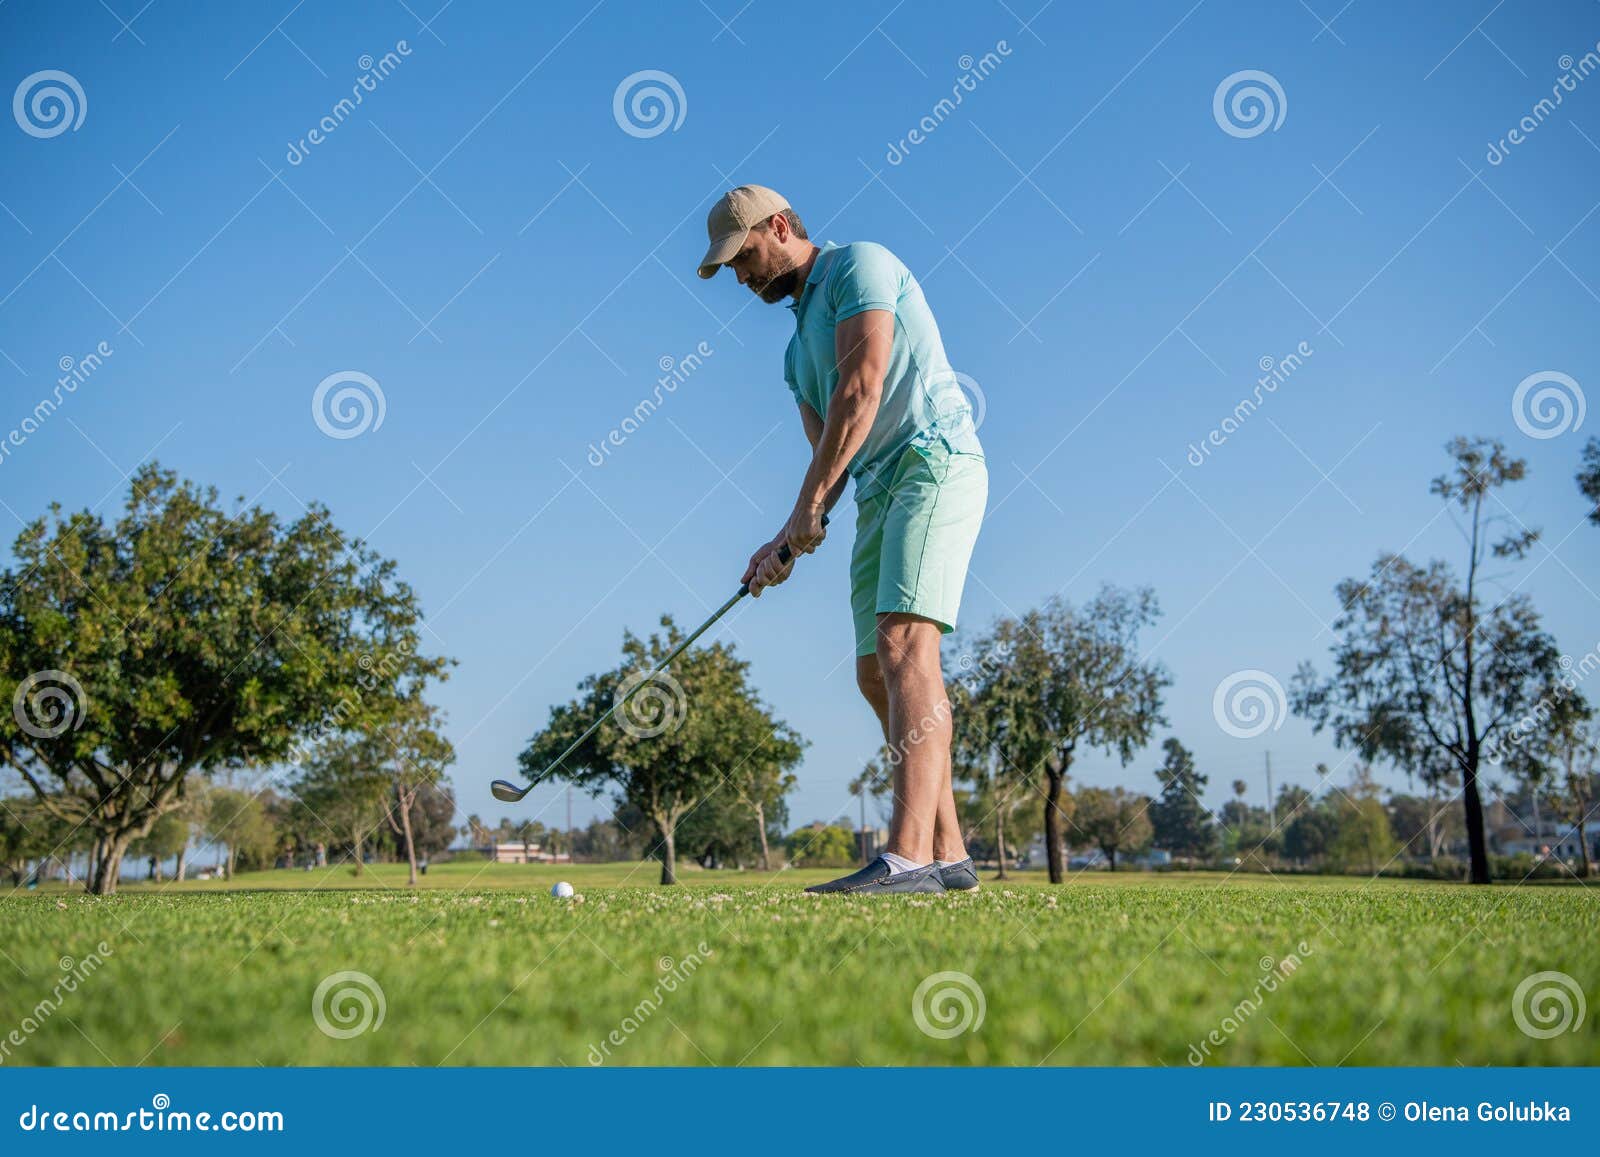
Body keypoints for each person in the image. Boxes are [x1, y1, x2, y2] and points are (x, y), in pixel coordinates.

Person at [698, 185, 987, 895]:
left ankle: (908, 856)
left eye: (744, 256)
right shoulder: (796, 355)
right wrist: (787, 541)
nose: (740, 274)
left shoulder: (860, 266)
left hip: (933, 461)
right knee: (871, 669)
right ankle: (949, 853)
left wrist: (805, 511)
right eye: (730, 267)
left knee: (904, 645)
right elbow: (831, 463)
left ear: (781, 225)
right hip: (879, 487)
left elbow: (861, 389)